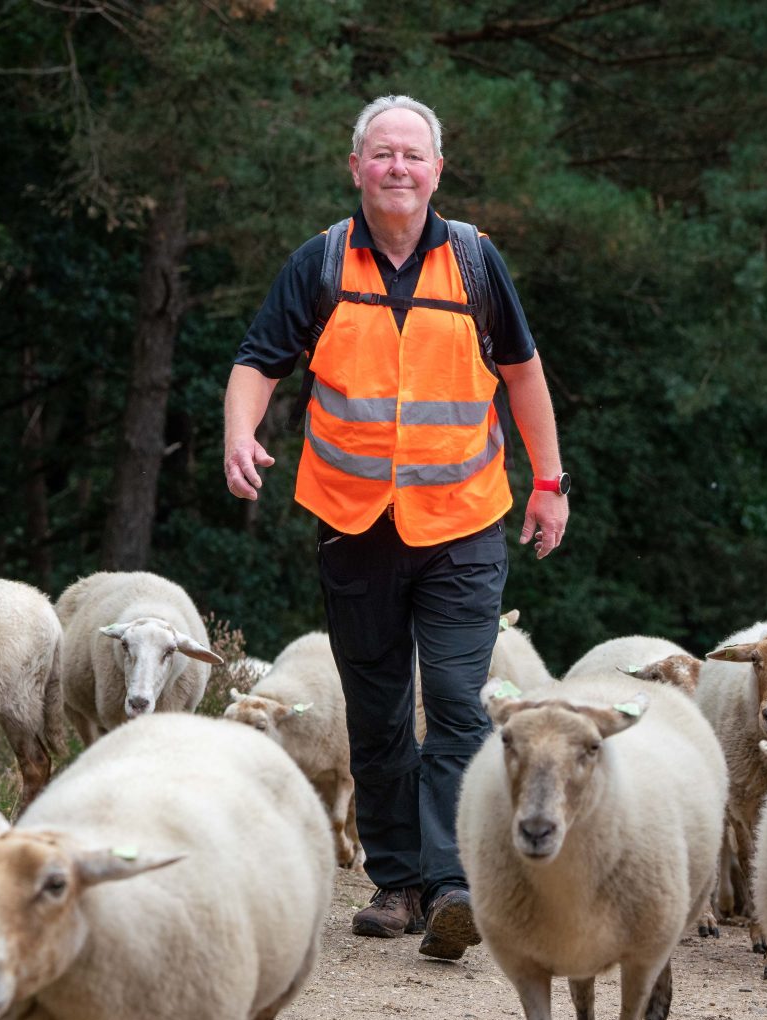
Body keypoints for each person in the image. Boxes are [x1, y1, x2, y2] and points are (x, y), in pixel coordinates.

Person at [222, 94, 571, 961]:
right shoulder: (322, 262)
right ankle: (396, 881)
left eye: (413, 155)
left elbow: (523, 375)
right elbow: (257, 362)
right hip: (355, 522)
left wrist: (549, 482)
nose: (398, 168)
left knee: (455, 700)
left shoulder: (477, 265)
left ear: (437, 171)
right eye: (382, 154)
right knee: (376, 708)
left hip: (461, 521)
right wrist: (240, 432)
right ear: (356, 167)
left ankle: (455, 882)